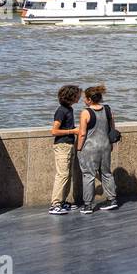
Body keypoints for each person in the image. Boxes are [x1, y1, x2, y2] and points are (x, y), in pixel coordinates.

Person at [75, 85, 118, 214]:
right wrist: (110, 144)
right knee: (106, 172)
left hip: (90, 148)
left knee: (88, 175)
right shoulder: (107, 109)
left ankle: (88, 205)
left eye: (84, 98)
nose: (83, 100)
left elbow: (82, 133)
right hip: (105, 146)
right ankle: (112, 199)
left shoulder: (86, 112)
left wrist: (78, 148)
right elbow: (112, 127)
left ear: (89, 99)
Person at [49, 85, 81, 215]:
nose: (79, 97)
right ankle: (55, 204)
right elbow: (54, 131)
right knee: (62, 175)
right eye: (77, 95)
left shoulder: (69, 109)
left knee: (67, 174)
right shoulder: (61, 111)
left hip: (68, 145)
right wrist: (72, 131)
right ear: (71, 96)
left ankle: (62, 202)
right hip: (62, 146)